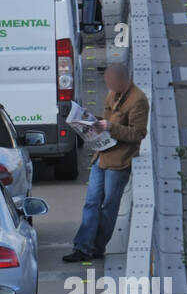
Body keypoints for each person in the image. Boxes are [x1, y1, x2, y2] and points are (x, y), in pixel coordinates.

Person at [62, 62, 149, 263]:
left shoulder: (139, 101)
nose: (108, 86)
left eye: (111, 82)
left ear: (122, 80)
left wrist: (111, 126)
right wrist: (89, 119)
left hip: (119, 161)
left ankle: (97, 247)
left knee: (109, 205)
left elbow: (138, 133)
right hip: (102, 155)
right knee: (91, 202)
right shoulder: (112, 93)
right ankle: (82, 247)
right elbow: (106, 120)